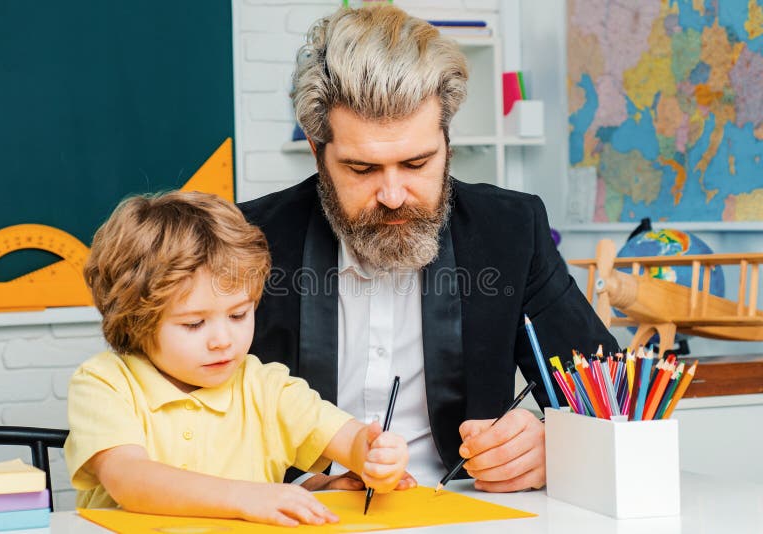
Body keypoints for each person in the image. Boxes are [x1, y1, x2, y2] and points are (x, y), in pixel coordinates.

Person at [238, 5, 618, 493]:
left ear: (446, 141)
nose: (393, 195)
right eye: (362, 169)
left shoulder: (511, 230)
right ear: (317, 151)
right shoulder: (246, 238)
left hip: (464, 512)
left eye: (417, 163)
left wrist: (556, 444)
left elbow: (614, 396)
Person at [64, 191, 410, 527]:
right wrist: (247, 497)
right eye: (194, 323)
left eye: (238, 315)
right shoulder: (105, 383)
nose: (223, 341)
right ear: (135, 319)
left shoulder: (266, 387)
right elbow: (129, 479)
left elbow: (349, 439)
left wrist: (374, 455)